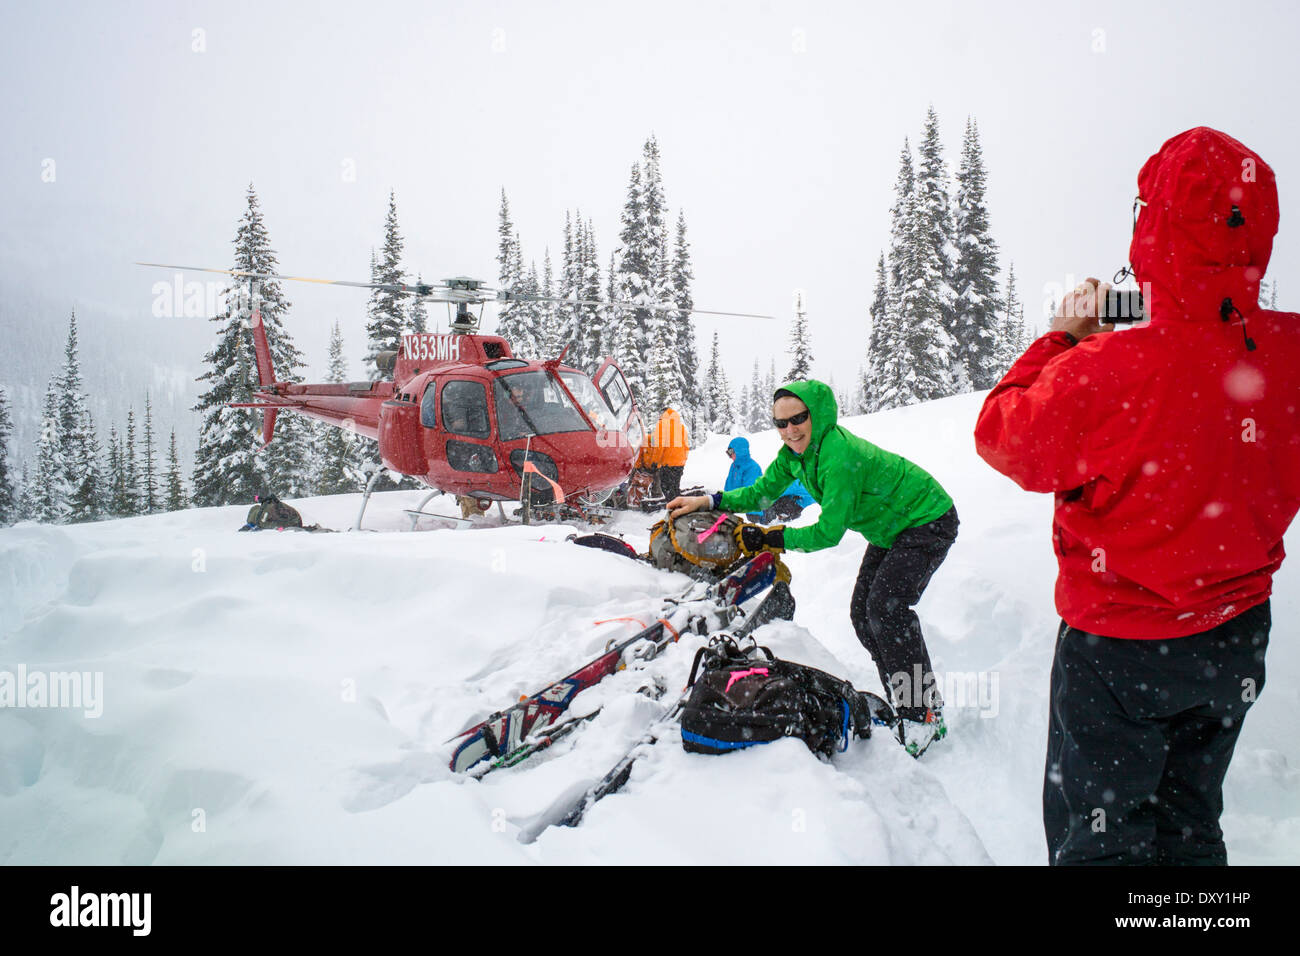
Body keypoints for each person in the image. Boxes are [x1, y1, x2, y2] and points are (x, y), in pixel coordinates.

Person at [974, 127, 1300, 865]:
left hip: (1121, 642)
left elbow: (1003, 433)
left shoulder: (1107, 369)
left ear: (1153, 222)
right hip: (1238, 635)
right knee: (1190, 825)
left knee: (1102, 842)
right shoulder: (1288, 352)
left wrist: (1062, 338)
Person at [669, 380, 958, 756]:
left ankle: (922, 715)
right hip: (890, 528)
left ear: (817, 416)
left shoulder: (838, 456)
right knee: (863, 614)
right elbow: (761, 491)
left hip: (926, 520)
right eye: (781, 423)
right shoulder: (795, 455)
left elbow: (827, 533)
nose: (790, 430)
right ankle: (910, 699)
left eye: (798, 419)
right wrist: (711, 499)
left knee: (888, 612)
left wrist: (771, 539)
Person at [724, 436, 813, 523]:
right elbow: (728, 488)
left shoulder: (752, 468)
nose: (730, 455)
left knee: (780, 500)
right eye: (728, 452)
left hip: (755, 511)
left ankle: (782, 518)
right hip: (746, 506)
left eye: (731, 451)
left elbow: (757, 493)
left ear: (740, 451)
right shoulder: (734, 467)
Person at [639, 405, 690, 501]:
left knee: (666, 489)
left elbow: (659, 447)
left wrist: (655, 462)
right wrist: (683, 461)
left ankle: (672, 510)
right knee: (675, 489)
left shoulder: (662, 425)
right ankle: (677, 508)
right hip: (679, 464)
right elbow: (686, 447)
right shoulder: (681, 427)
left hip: (668, 464)